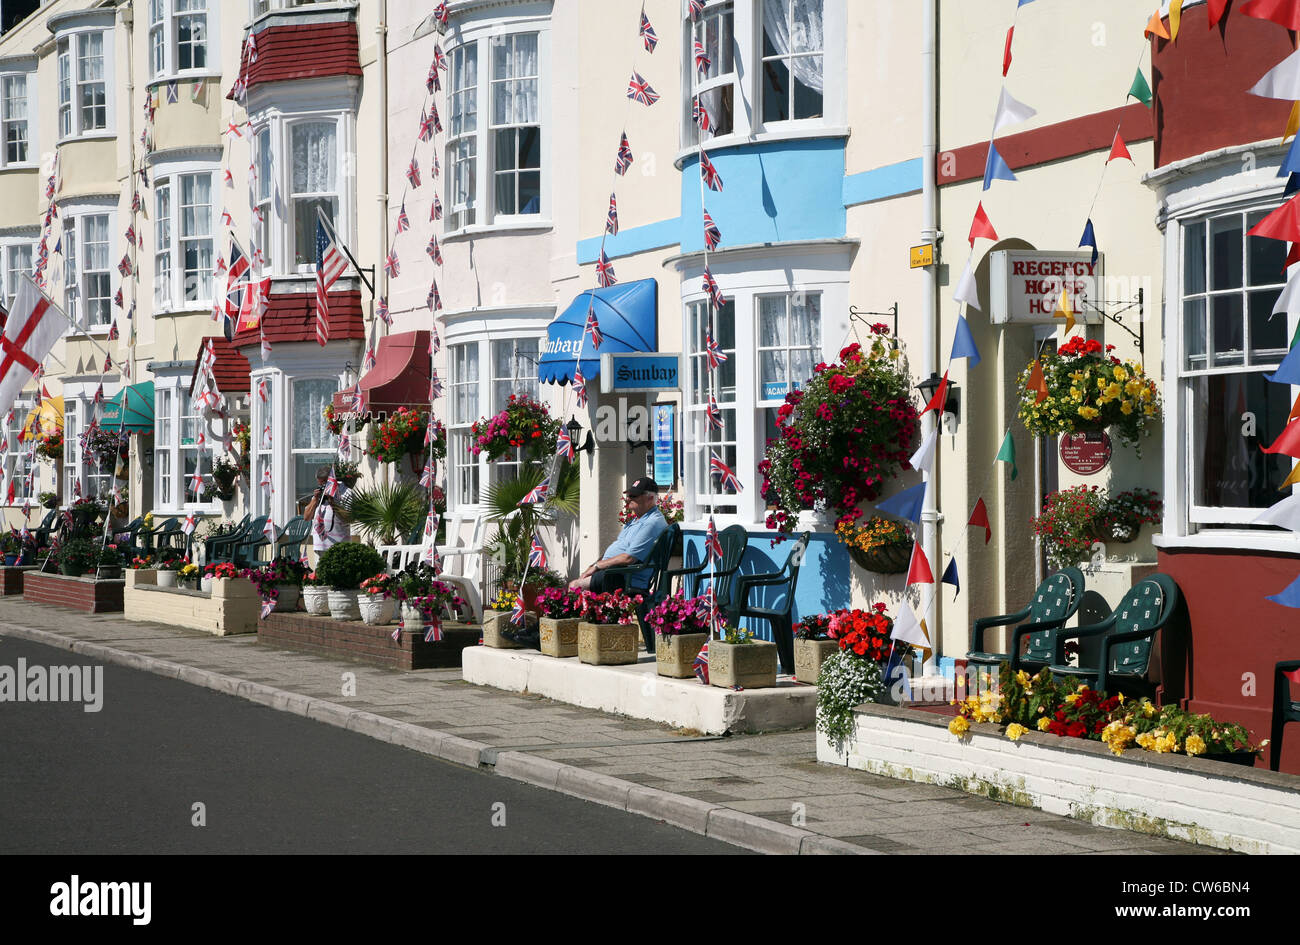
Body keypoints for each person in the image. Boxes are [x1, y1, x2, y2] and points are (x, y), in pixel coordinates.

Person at [569, 477, 668, 592]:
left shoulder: (652, 523)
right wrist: (594, 566)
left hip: (624, 577)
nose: (628, 498)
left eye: (634, 496)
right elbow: (618, 547)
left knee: (574, 587)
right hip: (613, 573)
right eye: (629, 495)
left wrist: (597, 566)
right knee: (577, 585)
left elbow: (628, 558)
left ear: (650, 498)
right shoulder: (635, 520)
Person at [302, 466, 351, 554]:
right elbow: (306, 517)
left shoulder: (346, 492)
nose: (322, 487)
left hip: (339, 545)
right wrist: (315, 499)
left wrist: (333, 502)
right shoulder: (320, 494)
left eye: (324, 483)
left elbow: (348, 518)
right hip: (320, 545)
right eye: (320, 484)